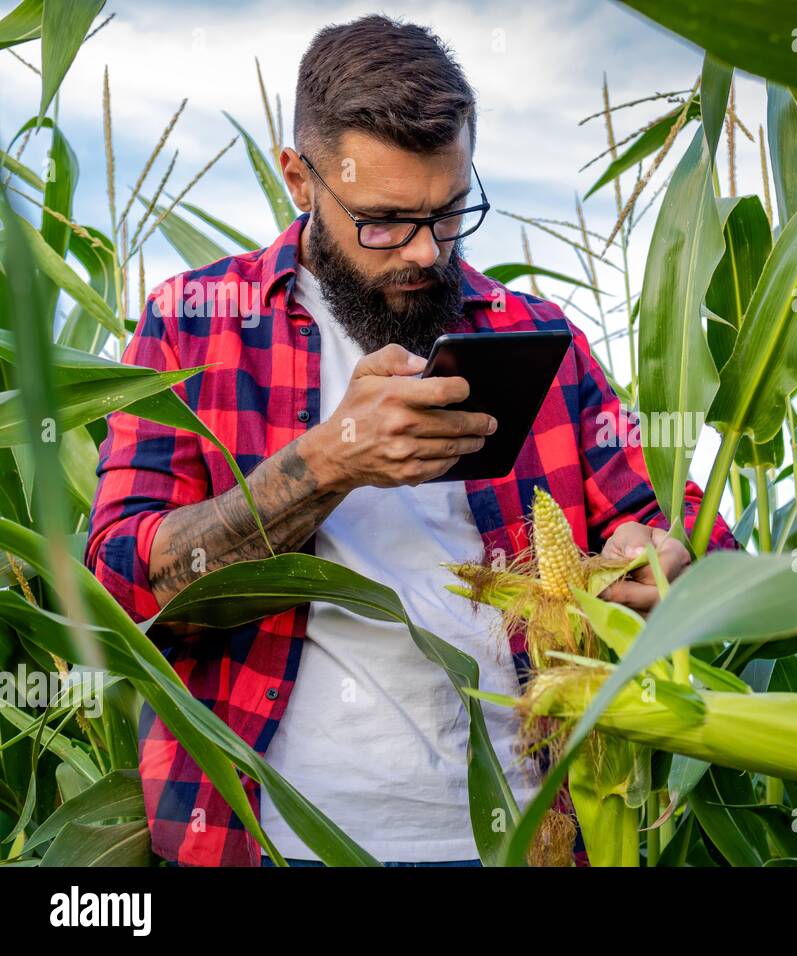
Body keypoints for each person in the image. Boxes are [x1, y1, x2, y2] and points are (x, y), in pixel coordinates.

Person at [85, 13, 736, 867]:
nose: (427, 252)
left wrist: (657, 552)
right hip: (277, 838)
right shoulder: (195, 324)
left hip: (523, 832)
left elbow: (687, 519)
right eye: (386, 221)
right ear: (300, 179)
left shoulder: (540, 334)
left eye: (450, 211)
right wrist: (327, 464)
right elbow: (122, 585)